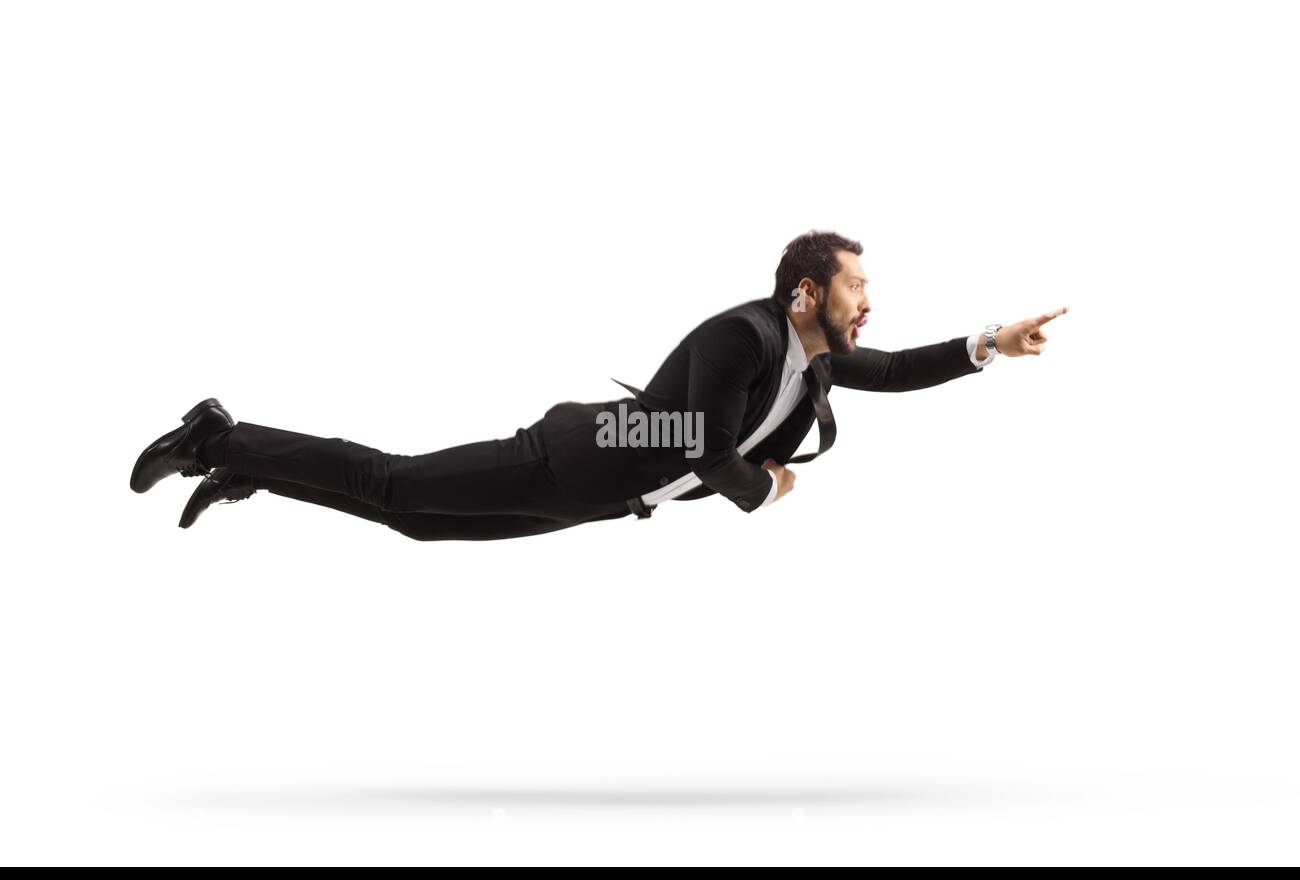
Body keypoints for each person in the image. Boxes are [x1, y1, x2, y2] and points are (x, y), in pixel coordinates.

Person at [129, 230, 1066, 541]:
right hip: (582, 456)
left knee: (409, 517)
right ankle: (222, 437)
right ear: (808, 290)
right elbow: (701, 443)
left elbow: (896, 369)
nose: (872, 301)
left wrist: (991, 341)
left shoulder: (811, 355)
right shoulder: (745, 338)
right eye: (858, 284)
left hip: (608, 494)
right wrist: (765, 487)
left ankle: (248, 465)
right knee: (399, 484)